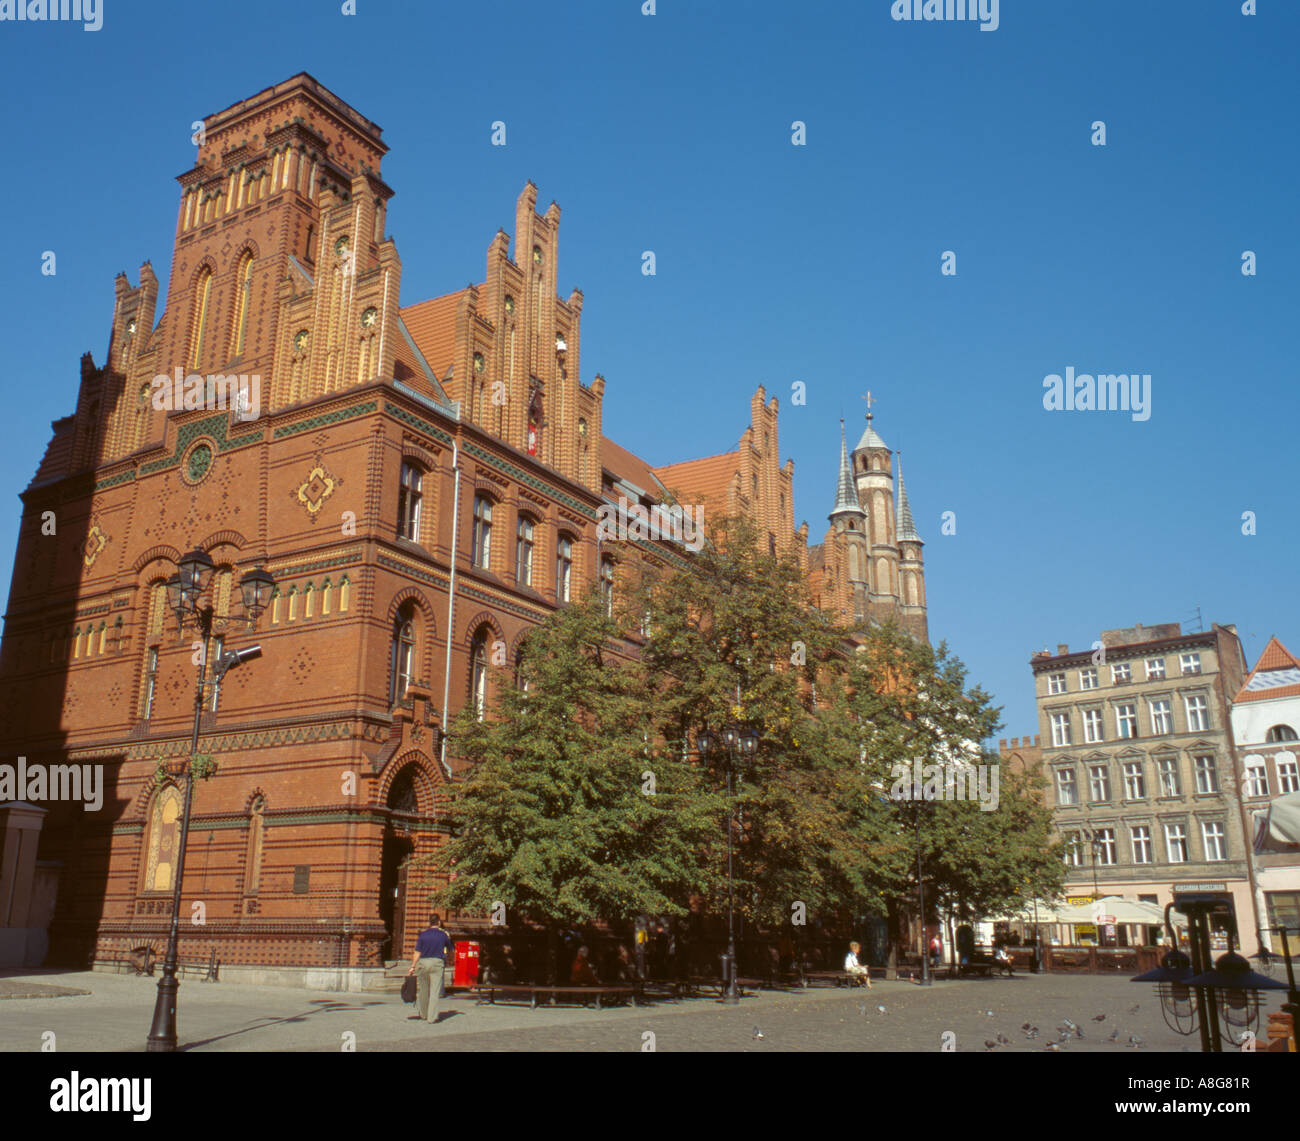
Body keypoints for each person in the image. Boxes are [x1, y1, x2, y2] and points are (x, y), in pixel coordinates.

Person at [407, 914, 454, 1024]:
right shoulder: (443, 935)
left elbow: (417, 952)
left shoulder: (423, 935)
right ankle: (431, 1017)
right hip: (437, 963)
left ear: (429, 923)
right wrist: (449, 960)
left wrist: (413, 966)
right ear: (438, 923)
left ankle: (423, 1014)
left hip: (423, 962)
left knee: (423, 990)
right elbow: (451, 949)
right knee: (434, 991)